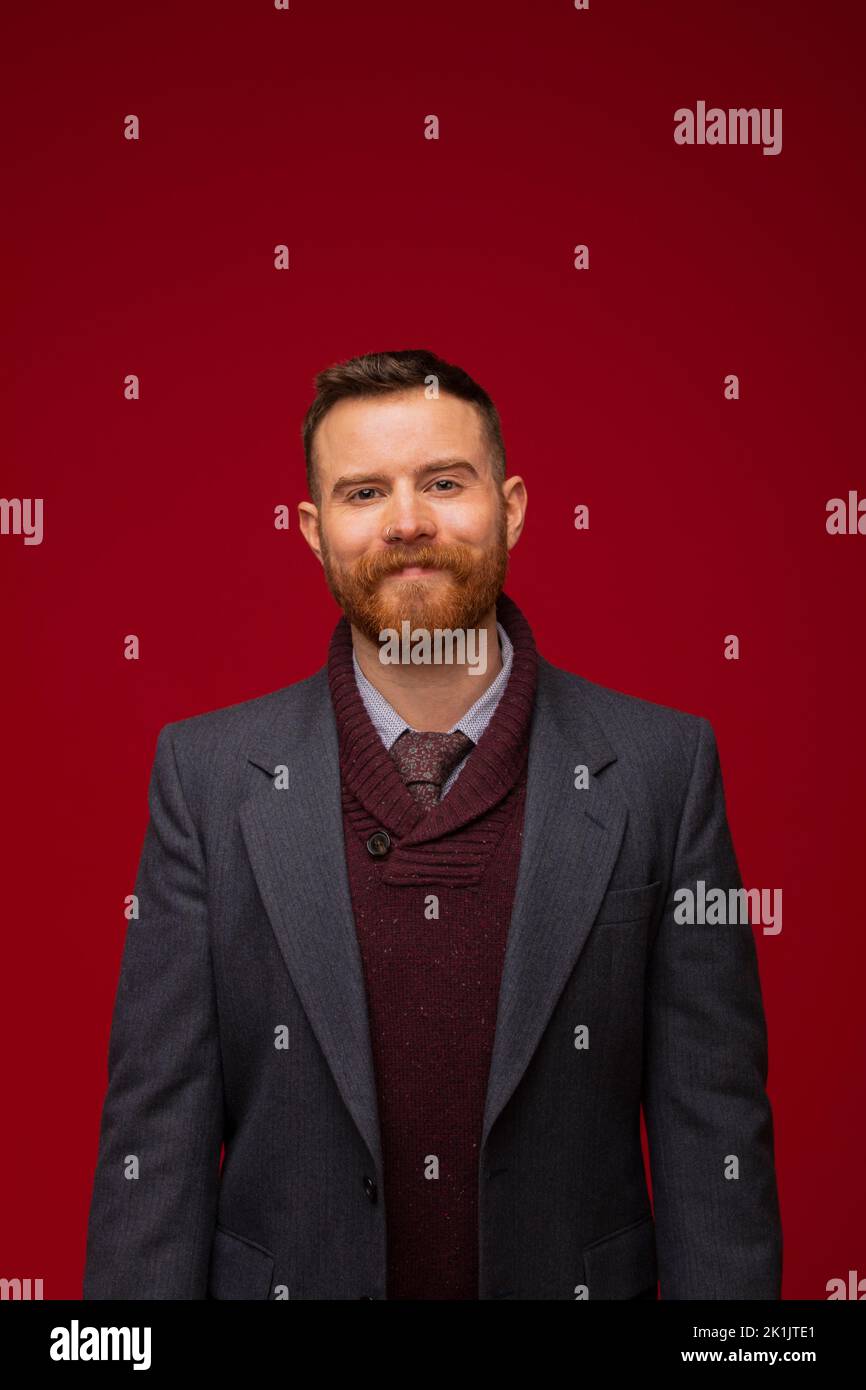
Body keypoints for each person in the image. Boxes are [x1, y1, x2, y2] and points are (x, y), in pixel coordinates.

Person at [83, 348, 782, 1300]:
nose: (407, 522)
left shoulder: (665, 769)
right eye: (363, 492)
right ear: (313, 531)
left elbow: (714, 1133)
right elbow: (153, 1144)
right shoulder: (204, 779)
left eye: (444, 482)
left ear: (515, 506)